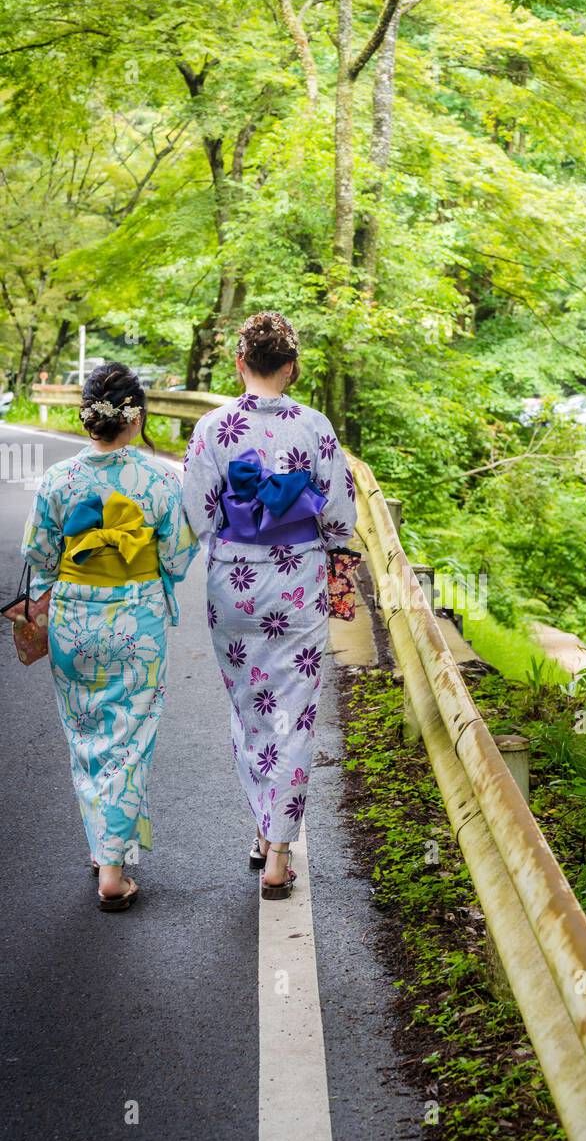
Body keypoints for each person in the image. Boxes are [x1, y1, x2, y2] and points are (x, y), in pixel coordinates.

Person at [182, 311, 357, 899]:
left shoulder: (212, 428)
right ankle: (279, 851)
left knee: (250, 709)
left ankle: (264, 828)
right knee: (294, 713)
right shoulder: (314, 427)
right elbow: (338, 515)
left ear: (240, 363)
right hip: (296, 584)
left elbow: (199, 513)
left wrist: (235, 541)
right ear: (292, 367)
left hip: (231, 583)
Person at [21, 362, 199, 911]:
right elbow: (177, 555)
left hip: (73, 619)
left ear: (87, 418)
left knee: (86, 737)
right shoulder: (159, 480)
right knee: (130, 738)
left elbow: (40, 556)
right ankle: (113, 873)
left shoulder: (56, 481)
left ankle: (104, 849)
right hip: (136, 623)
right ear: (135, 418)